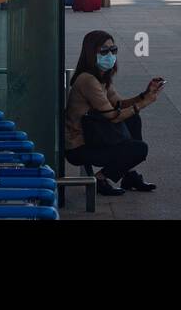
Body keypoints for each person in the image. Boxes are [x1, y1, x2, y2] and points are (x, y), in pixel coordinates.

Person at [65, 30, 164, 197]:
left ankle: (129, 174)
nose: (110, 55)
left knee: (133, 119)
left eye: (113, 50)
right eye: (104, 51)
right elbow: (112, 115)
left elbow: (119, 103)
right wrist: (145, 102)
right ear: (91, 53)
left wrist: (144, 94)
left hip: (92, 133)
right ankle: (101, 178)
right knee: (139, 150)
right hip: (79, 146)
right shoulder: (87, 80)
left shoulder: (101, 76)